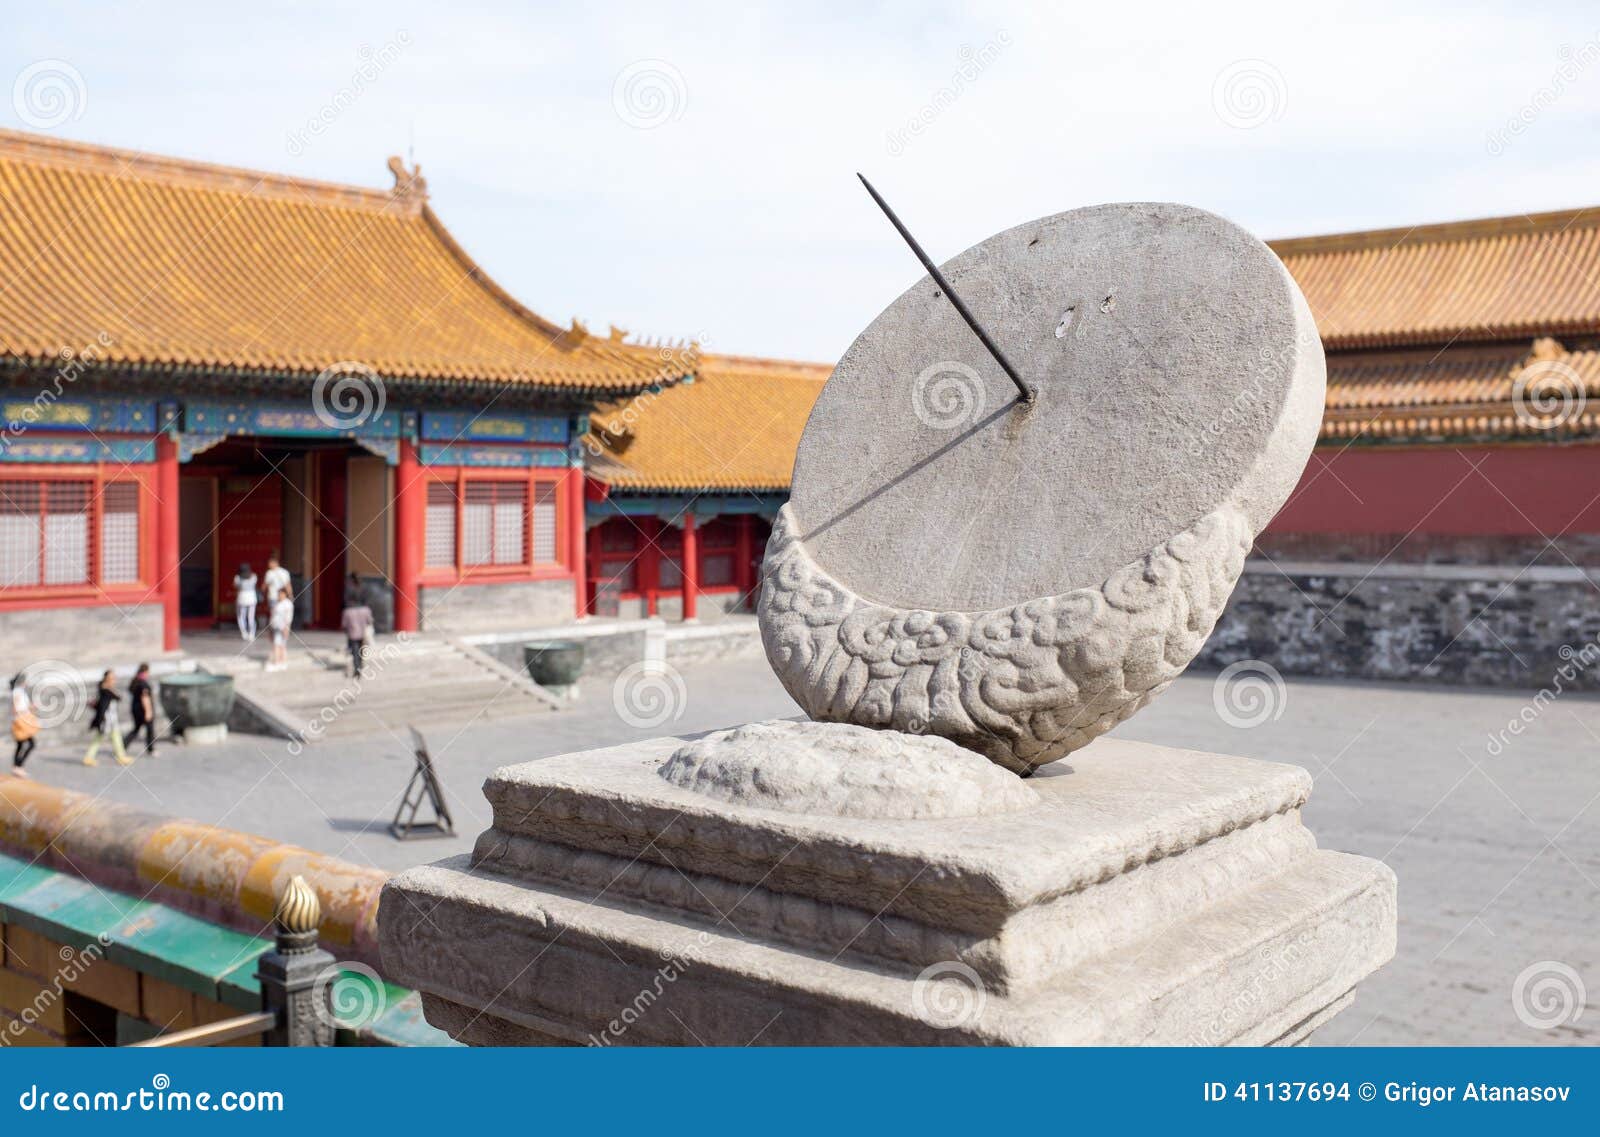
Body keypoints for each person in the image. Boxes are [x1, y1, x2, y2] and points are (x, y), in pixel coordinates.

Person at [83, 670, 132, 767]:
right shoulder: (106, 691)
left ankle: (121, 756)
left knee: (116, 738)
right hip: (106, 720)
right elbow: (118, 698)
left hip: (112, 720)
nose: (114, 680)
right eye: (112, 678)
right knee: (98, 739)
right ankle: (88, 757)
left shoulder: (105, 690)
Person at [122, 662, 157, 759]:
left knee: (136, 729)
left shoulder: (135, 681)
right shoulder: (143, 683)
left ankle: (123, 745)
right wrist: (148, 711)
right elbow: (145, 698)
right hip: (143, 710)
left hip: (135, 709)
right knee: (150, 730)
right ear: (146, 671)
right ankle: (151, 749)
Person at [10, 673, 38, 778]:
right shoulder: (17, 692)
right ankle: (18, 766)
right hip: (21, 721)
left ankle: (17, 767)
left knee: (20, 745)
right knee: (30, 744)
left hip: (21, 720)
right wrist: (27, 710)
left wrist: (31, 707)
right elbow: (15, 709)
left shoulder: (19, 692)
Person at [340, 594, 374, 679]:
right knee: (361, 651)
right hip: (363, 634)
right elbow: (370, 621)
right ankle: (360, 665)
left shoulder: (347, 612)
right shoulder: (366, 610)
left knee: (355, 652)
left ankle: (357, 669)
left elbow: (344, 625)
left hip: (352, 635)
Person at [269, 586, 294, 669]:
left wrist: (286, 628)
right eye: (278, 594)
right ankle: (278, 661)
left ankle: (280, 662)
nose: (279, 595)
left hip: (283, 627)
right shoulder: (277, 603)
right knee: (277, 644)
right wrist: (270, 628)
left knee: (280, 645)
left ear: (285, 594)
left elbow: (288, 617)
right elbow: (273, 616)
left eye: (281, 594)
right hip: (275, 626)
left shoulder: (288, 604)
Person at [232, 562, 258, 641]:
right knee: (251, 617)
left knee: (241, 617)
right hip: (252, 598)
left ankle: (244, 633)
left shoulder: (237, 578)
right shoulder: (254, 576)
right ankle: (252, 634)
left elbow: (235, 586)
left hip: (241, 598)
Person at [263, 555, 291, 620]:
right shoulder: (285, 572)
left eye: (270, 563)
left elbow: (265, 585)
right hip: (283, 596)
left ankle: (276, 627)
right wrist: (290, 595)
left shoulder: (269, 573)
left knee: (274, 613)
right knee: (283, 613)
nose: (269, 565)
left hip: (273, 596)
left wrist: (262, 592)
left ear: (275, 563)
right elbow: (288, 585)